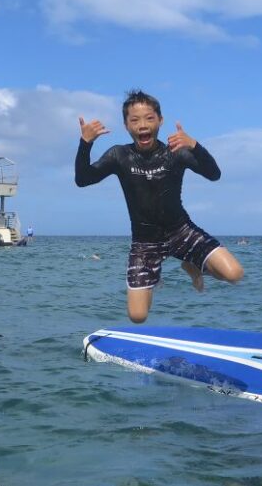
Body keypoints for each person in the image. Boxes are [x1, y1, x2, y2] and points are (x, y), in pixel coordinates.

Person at [75, 89, 244, 323]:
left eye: (149, 118)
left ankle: (191, 263)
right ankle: (159, 276)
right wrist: (85, 143)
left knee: (235, 274)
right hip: (144, 243)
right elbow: (83, 179)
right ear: (126, 125)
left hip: (181, 230)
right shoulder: (119, 155)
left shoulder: (176, 153)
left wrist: (195, 145)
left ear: (160, 121)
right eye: (134, 120)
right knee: (137, 316)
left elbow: (214, 174)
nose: (142, 125)